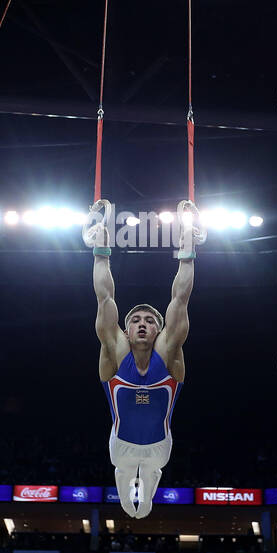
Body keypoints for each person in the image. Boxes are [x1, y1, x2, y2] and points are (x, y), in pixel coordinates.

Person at [86, 199, 200, 519]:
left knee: (151, 473)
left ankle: (149, 482)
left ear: (160, 332)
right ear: (125, 329)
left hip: (159, 447)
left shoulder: (170, 356)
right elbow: (104, 296)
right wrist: (101, 249)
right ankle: (127, 480)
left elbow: (181, 297)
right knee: (124, 472)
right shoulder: (114, 352)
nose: (142, 324)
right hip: (120, 446)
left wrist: (188, 246)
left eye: (150, 321)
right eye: (136, 319)